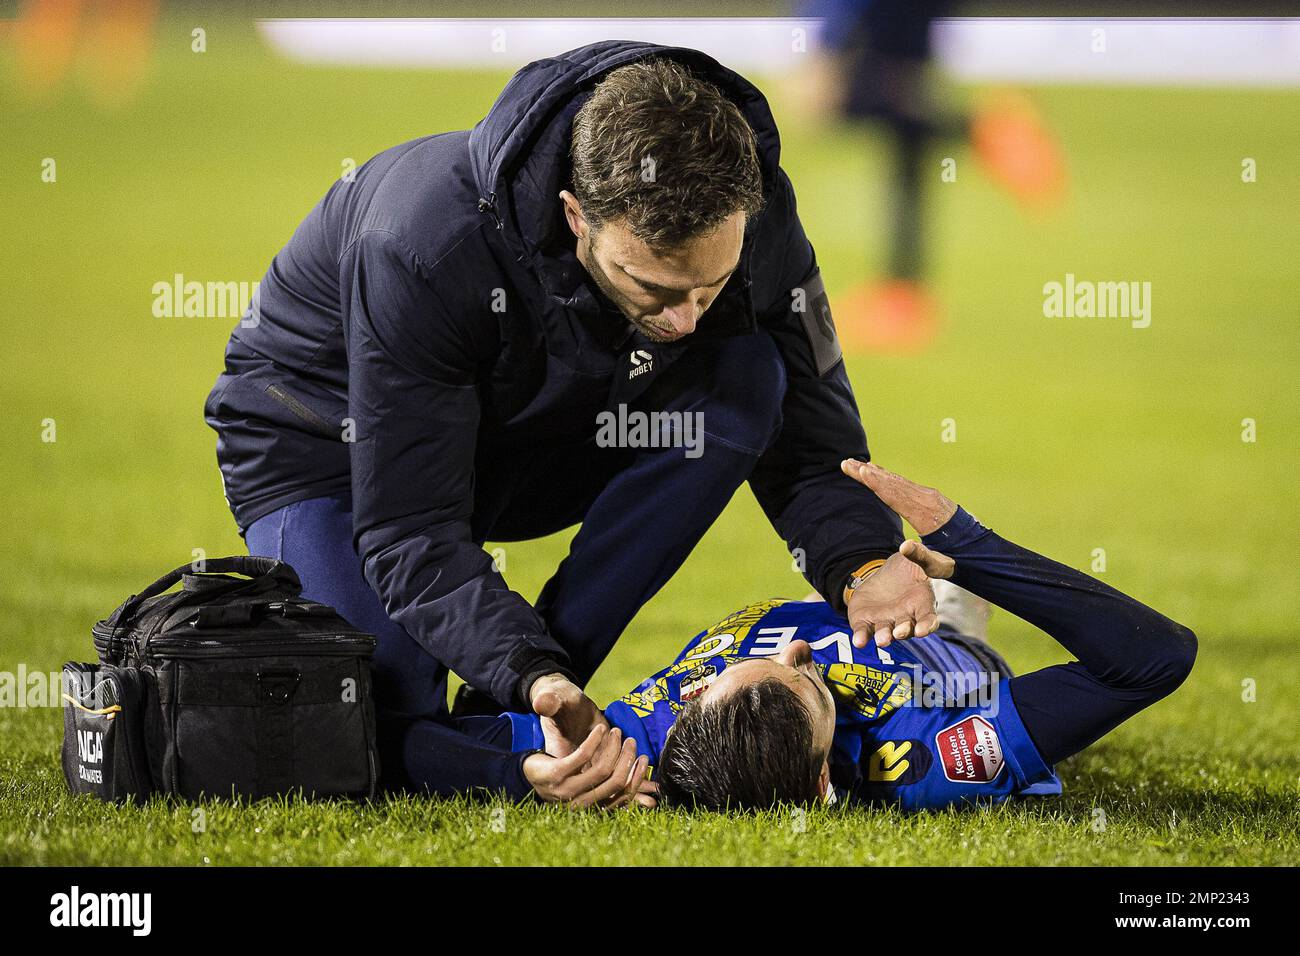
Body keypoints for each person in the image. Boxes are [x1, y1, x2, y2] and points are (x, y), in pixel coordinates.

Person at [204, 40, 936, 802]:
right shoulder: (423, 243)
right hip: (329, 451)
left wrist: (860, 563)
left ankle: (536, 701)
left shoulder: (758, 216)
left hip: (541, 430)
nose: (686, 320)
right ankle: (525, 726)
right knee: (359, 726)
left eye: (709, 286)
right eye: (651, 285)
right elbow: (412, 528)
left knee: (748, 376)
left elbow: (816, 431)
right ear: (575, 215)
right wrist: (522, 674)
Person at [503, 461, 1197, 810]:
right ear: (823, 781)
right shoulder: (923, 759)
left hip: (832, 590)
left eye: (719, 680)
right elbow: (1153, 658)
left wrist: (531, 761)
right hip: (938, 632)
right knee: (946, 601)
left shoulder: (639, 744)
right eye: (805, 682)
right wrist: (970, 548)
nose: (789, 651)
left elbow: (422, 749)